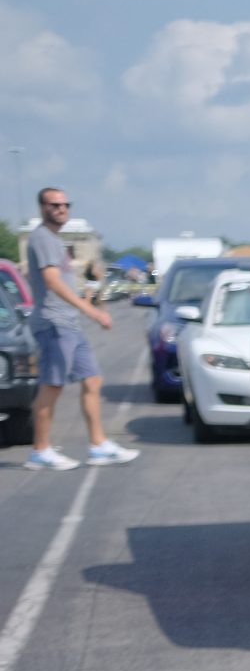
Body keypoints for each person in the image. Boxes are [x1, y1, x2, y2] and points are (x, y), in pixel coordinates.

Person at [25, 187, 138, 470]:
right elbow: (52, 281)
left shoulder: (54, 240)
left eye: (65, 205)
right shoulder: (42, 238)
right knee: (51, 386)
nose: (61, 209)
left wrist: (93, 305)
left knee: (92, 381)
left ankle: (98, 445)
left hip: (69, 324)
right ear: (42, 208)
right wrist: (91, 311)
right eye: (55, 205)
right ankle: (40, 451)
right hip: (53, 323)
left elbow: (68, 281)